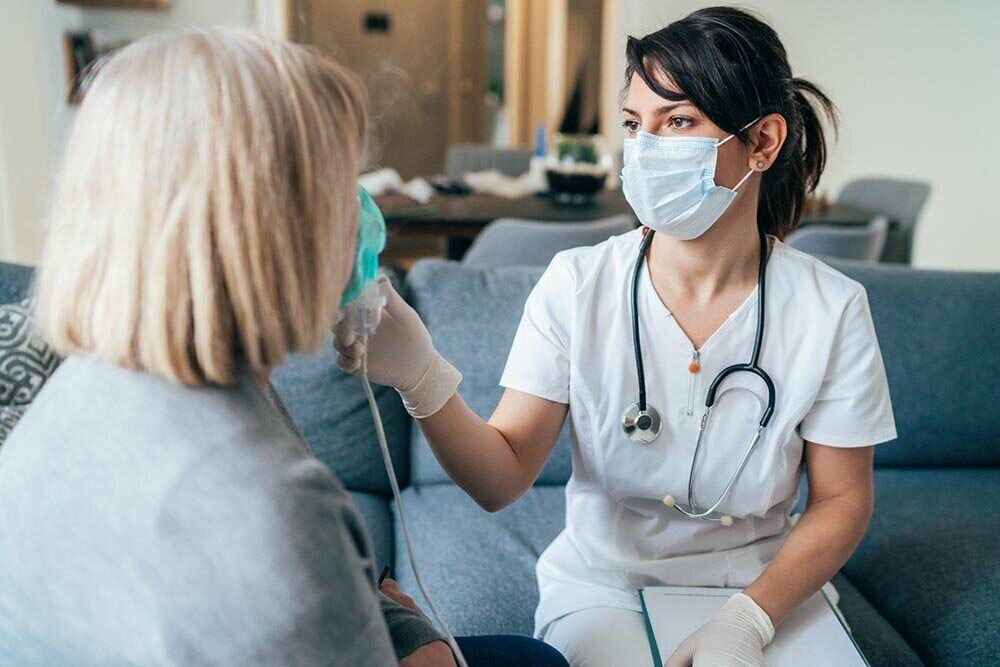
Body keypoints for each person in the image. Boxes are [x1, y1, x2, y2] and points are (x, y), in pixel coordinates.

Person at [335, 7, 896, 666]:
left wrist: (749, 618)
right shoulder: (578, 284)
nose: (647, 147)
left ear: (763, 142)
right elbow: (501, 477)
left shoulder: (831, 307)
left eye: (678, 121)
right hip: (606, 587)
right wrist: (421, 376)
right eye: (635, 124)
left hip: (763, 590)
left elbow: (842, 497)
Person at [0, 29, 567, 667]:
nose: (361, 214)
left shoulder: (95, 381)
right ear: (272, 227)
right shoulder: (271, 508)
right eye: (339, 186)